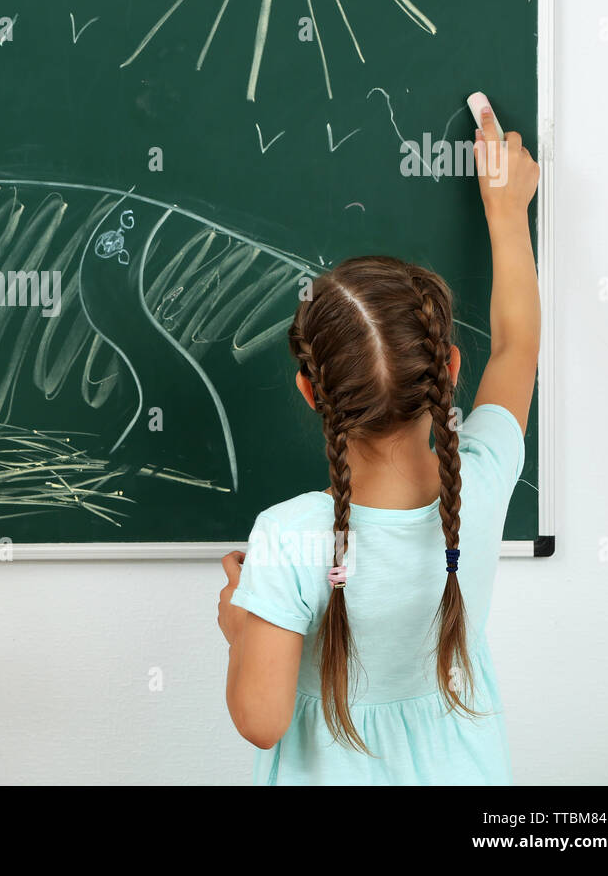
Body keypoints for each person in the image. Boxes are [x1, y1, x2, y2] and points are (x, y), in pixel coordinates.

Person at [217, 108, 540, 784]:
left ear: (310, 391)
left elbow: (260, 717)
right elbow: (516, 348)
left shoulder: (289, 539)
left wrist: (243, 621)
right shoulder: (478, 486)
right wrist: (507, 213)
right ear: (449, 369)